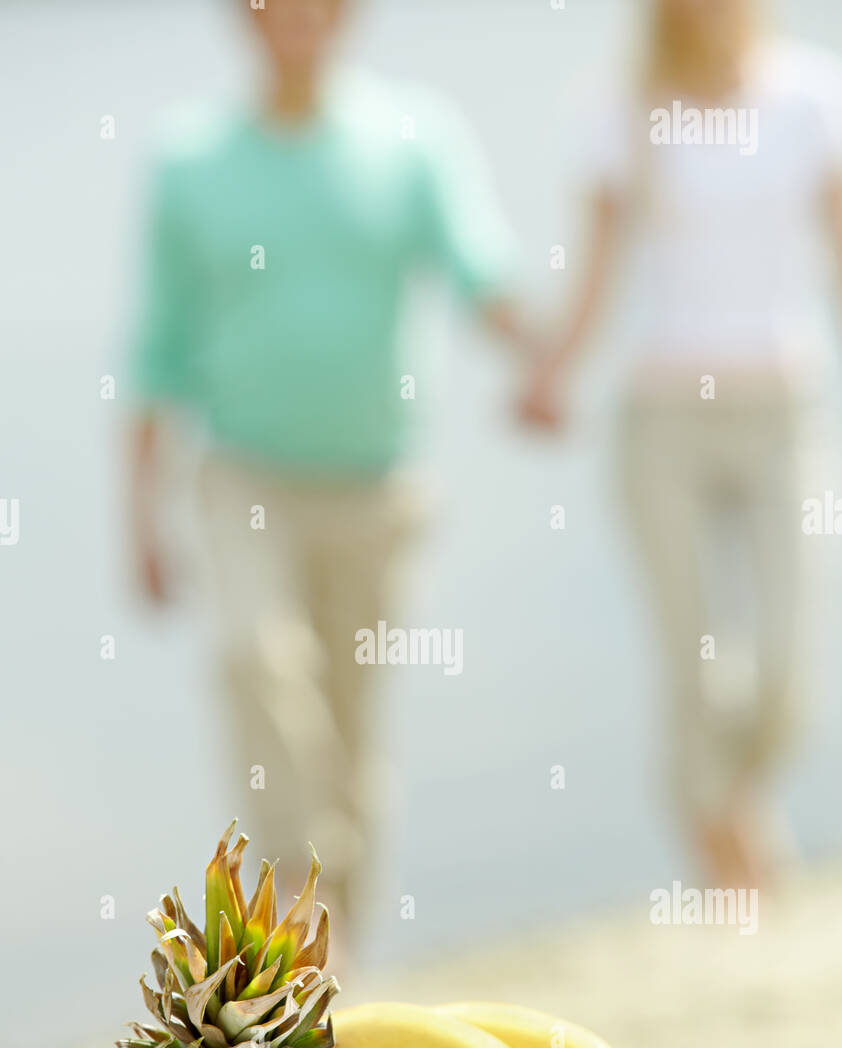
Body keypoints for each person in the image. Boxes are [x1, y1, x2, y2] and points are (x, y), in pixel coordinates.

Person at [128, 0, 522, 943]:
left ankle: (337, 947)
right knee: (258, 664)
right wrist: (139, 517)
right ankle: (297, 913)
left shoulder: (413, 138)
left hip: (378, 488)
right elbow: (158, 347)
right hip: (243, 478)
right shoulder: (190, 160)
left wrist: (548, 360)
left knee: (352, 732)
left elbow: (480, 274)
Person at [521, 0, 842, 889]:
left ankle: (738, 809)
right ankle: (724, 865)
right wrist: (552, 370)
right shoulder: (621, 108)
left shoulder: (814, 96)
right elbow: (597, 265)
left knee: (785, 672)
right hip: (664, 418)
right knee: (698, 658)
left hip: (783, 411)